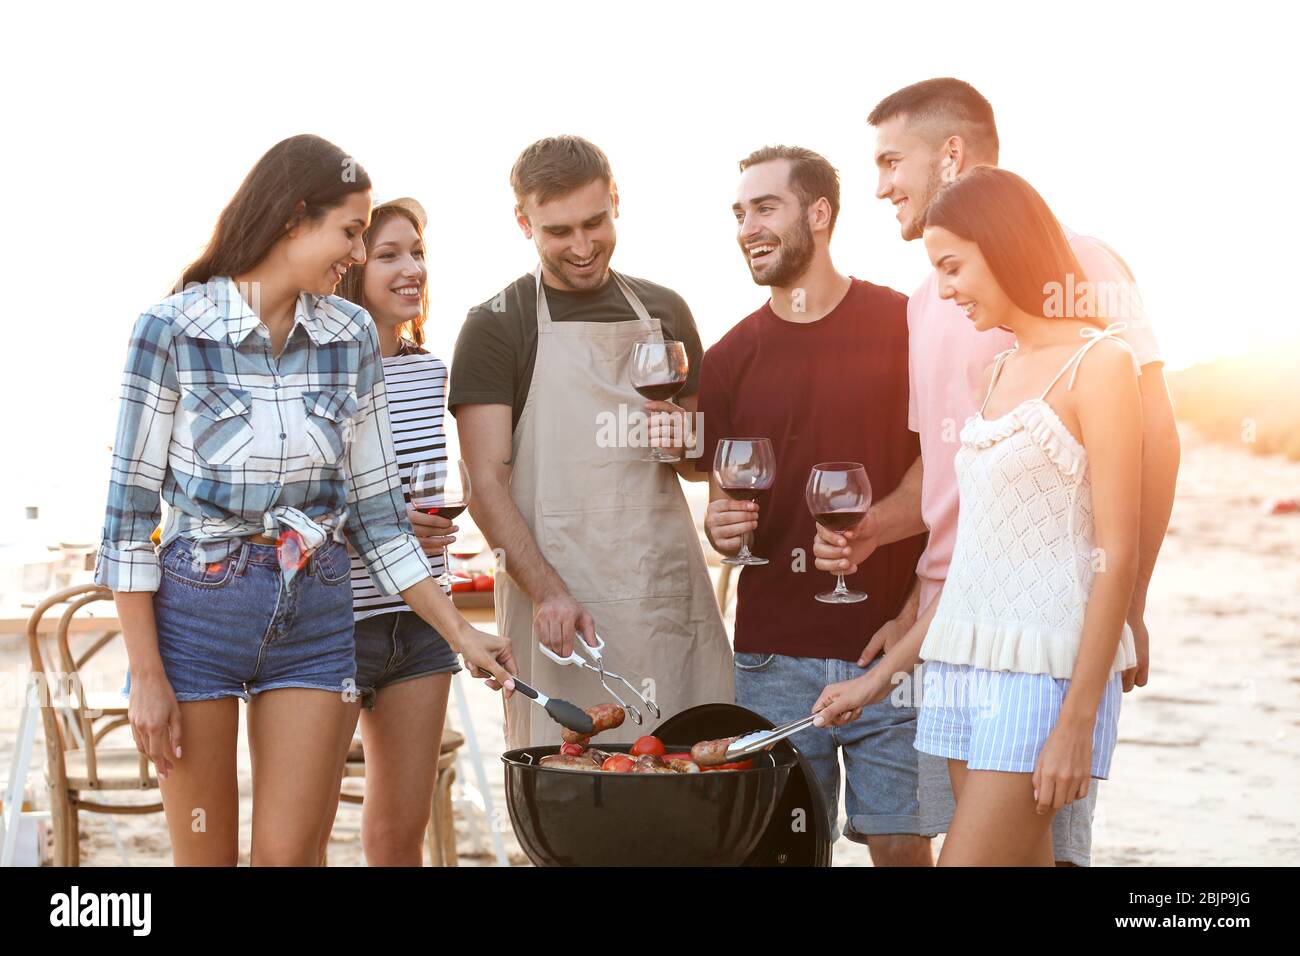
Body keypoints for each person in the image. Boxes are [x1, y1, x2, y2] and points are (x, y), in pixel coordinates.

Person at [95, 136, 515, 866]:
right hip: (196, 615)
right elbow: (128, 522)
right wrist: (148, 677)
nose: (355, 255)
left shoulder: (348, 334)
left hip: (317, 614)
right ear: (294, 220)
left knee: (289, 860)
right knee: (207, 858)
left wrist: (459, 633)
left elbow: (380, 521)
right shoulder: (170, 331)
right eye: (350, 232)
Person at [812, 78, 1180, 866]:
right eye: (937, 270)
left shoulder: (1095, 337)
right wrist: (892, 659)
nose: (942, 288)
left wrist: (1114, 647)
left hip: (1044, 662)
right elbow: (969, 535)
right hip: (958, 657)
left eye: (889, 160)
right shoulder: (986, 364)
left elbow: (1124, 511)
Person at [450, 135, 732, 748]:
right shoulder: (498, 323)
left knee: (691, 775)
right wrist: (551, 594)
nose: (582, 247)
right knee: (574, 785)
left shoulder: (666, 310)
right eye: (558, 231)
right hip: (560, 611)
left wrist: (684, 441)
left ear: (616, 202)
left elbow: (693, 462)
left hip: (664, 593)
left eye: (595, 222)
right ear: (524, 222)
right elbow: (482, 486)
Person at [698, 146, 930, 864]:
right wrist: (720, 527)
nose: (747, 227)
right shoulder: (728, 358)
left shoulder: (905, 325)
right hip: (773, 658)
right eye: (740, 213)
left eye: (765, 207)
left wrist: (875, 532)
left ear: (819, 214)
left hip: (890, 645)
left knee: (901, 848)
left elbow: (947, 470)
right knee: (784, 854)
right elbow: (723, 508)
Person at [324, 196, 462, 865]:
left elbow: (426, 491)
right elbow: (298, 500)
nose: (412, 268)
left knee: (397, 839)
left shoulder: (430, 372)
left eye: (418, 253)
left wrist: (427, 528)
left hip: (422, 625)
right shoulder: (316, 373)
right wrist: (377, 522)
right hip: (333, 625)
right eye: (389, 255)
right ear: (351, 267)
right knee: (299, 837)